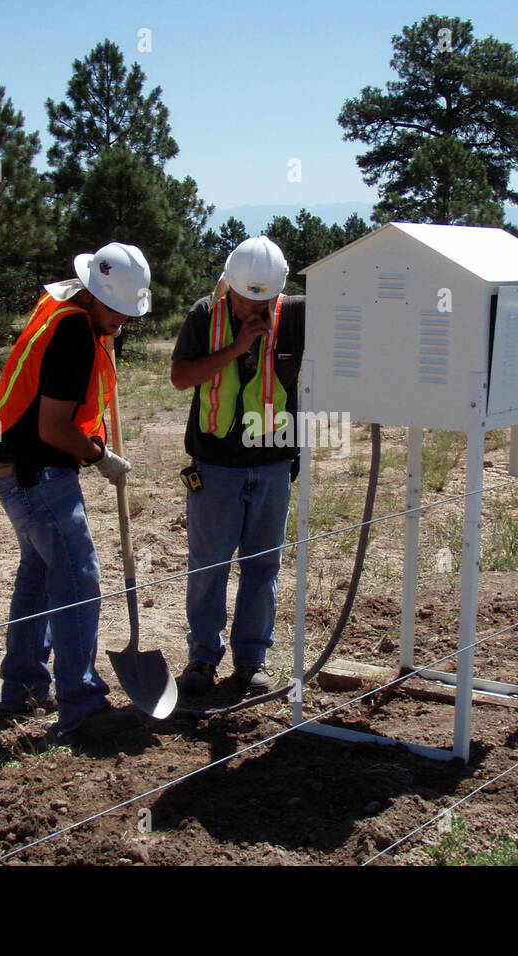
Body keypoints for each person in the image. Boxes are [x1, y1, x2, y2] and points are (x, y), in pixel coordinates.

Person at [0, 242, 149, 738]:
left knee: (39, 574)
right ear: (96, 296)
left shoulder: (64, 304)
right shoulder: (75, 333)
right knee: (78, 578)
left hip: (14, 463)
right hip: (38, 469)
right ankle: (81, 703)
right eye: (118, 311)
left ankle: (24, 688)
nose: (123, 321)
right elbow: (54, 427)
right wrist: (101, 457)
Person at [170, 236, 305, 695]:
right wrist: (236, 347)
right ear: (229, 285)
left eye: (264, 298)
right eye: (247, 297)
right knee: (208, 565)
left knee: (263, 566)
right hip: (215, 467)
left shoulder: (297, 316)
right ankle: (202, 659)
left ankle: (252, 661)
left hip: (273, 463)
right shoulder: (204, 315)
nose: (254, 307)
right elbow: (180, 378)